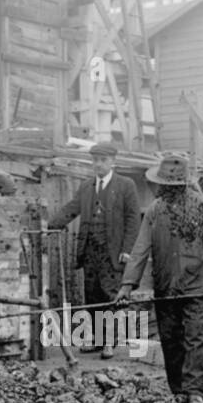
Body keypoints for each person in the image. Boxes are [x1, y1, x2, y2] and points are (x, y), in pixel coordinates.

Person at [115, 153, 203, 403]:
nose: (167, 190)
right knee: (170, 339)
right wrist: (128, 284)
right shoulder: (154, 211)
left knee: (193, 338)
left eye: (173, 187)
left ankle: (195, 394)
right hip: (165, 289)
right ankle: (178, 391)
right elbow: (140, 249)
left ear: (183, 184)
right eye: (165, 186)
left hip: (196, 288)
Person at [49, 142, 141, 358]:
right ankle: (97, 341)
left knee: (111, 296)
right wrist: (52, 224)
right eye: (95, 160)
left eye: (103, 160)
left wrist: (127, 250)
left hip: (114, 252)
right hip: (90, 251)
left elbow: (133, 220)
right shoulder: (87, 186)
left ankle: (110, 342)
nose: (98, 164)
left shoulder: (126, 185)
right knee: (92, 296)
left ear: (112, 162)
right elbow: (72, 208)